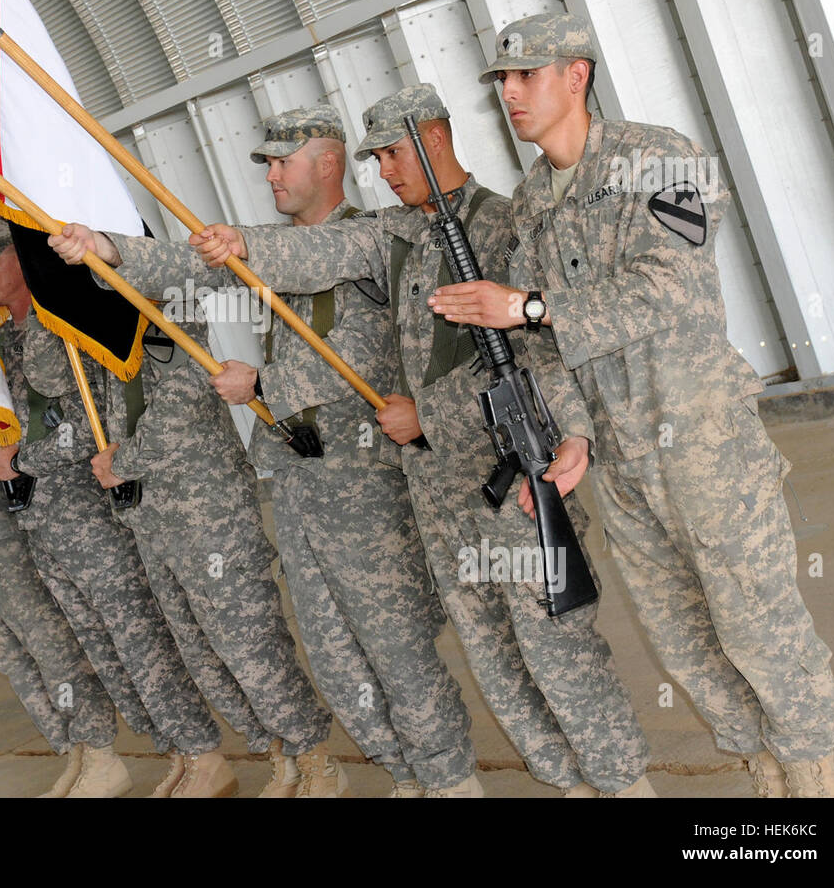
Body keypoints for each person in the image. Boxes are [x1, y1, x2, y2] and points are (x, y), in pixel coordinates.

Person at [174, 84, 655, 796]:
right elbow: (317, 250)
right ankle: (570, 785)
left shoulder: (505, 223)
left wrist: (440, 415)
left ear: (433, 141)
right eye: (373, 157)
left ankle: (623, 783)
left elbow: (543, 351)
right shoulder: (394, 234)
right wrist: (242, 244)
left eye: (393, 153)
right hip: (437, 490)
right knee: (497, 662)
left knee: (557, 648)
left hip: (515, 475)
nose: (384, 170)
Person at [431, 11, 834, 797]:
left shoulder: (659, 159)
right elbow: (550, 354)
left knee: (754, 614)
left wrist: (526, 304)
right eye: (501, 81)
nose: (510, 94)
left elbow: (669, 287)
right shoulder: (529, 207)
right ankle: (760, 765)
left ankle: (814, 770)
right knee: (681, 633)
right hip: (621, 460)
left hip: (701, 438)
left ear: (576, 74)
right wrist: (577, 432)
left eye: (526, 75)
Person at [58, 105, 478, 796]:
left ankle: (451, 779)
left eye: (284, 161)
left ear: (330, 164)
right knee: (337, 660)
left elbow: (366, 360)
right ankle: (406, 777)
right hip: (296, 476)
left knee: (397, 648)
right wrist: (108, 247)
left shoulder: (379, 239)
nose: (273, 174)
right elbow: (186, 266)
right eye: (268, 163)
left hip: (364, 478)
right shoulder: (262, 252)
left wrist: (265, 381)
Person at [0, 220, 228, 797]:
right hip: (44, 522)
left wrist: (25, 459)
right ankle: (176, 753)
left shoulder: (61, 323)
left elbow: (90, 430)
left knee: (140, 640)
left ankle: (202, 751)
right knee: (108, 652)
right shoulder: (8, 340)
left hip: (89, 517)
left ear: (26, 260)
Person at [90, 319, 341, 797]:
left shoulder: (170, 322)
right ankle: (279, 757)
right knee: (207, 659)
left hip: (212, 522)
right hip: (156, 523)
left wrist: (120, 464)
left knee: (251, 650)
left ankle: (317, 758)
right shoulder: (107, 344)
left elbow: (176, 411)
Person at [0, 399, 125, 797]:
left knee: (51, 648)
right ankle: (75, 750)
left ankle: (102, 753)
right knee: (13, 659)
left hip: (1, 537)